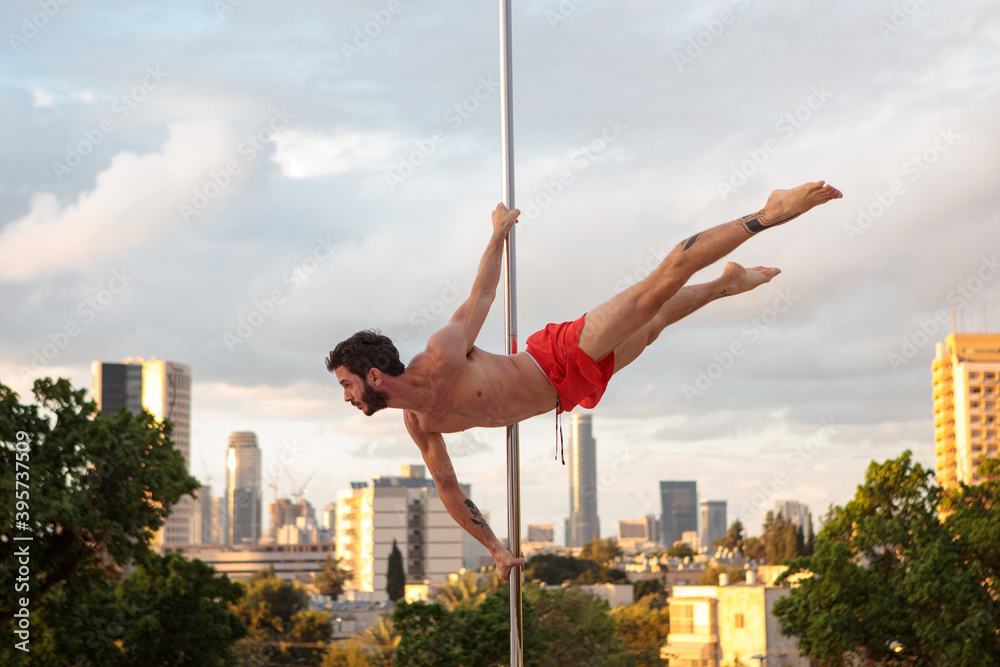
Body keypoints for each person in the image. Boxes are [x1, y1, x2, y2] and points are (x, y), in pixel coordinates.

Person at [327, 180, 842, 581]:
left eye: (348, 384)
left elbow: (481, 294)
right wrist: (498, 550)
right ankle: (723, 285)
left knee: (651, 293)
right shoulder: (420, 425)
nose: (347, 397)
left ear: (374, 375)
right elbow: (449, 489)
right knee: (655, 323)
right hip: (566, 393)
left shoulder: (441, 355)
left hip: (553, 357)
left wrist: (498, 232)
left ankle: (768, 213)